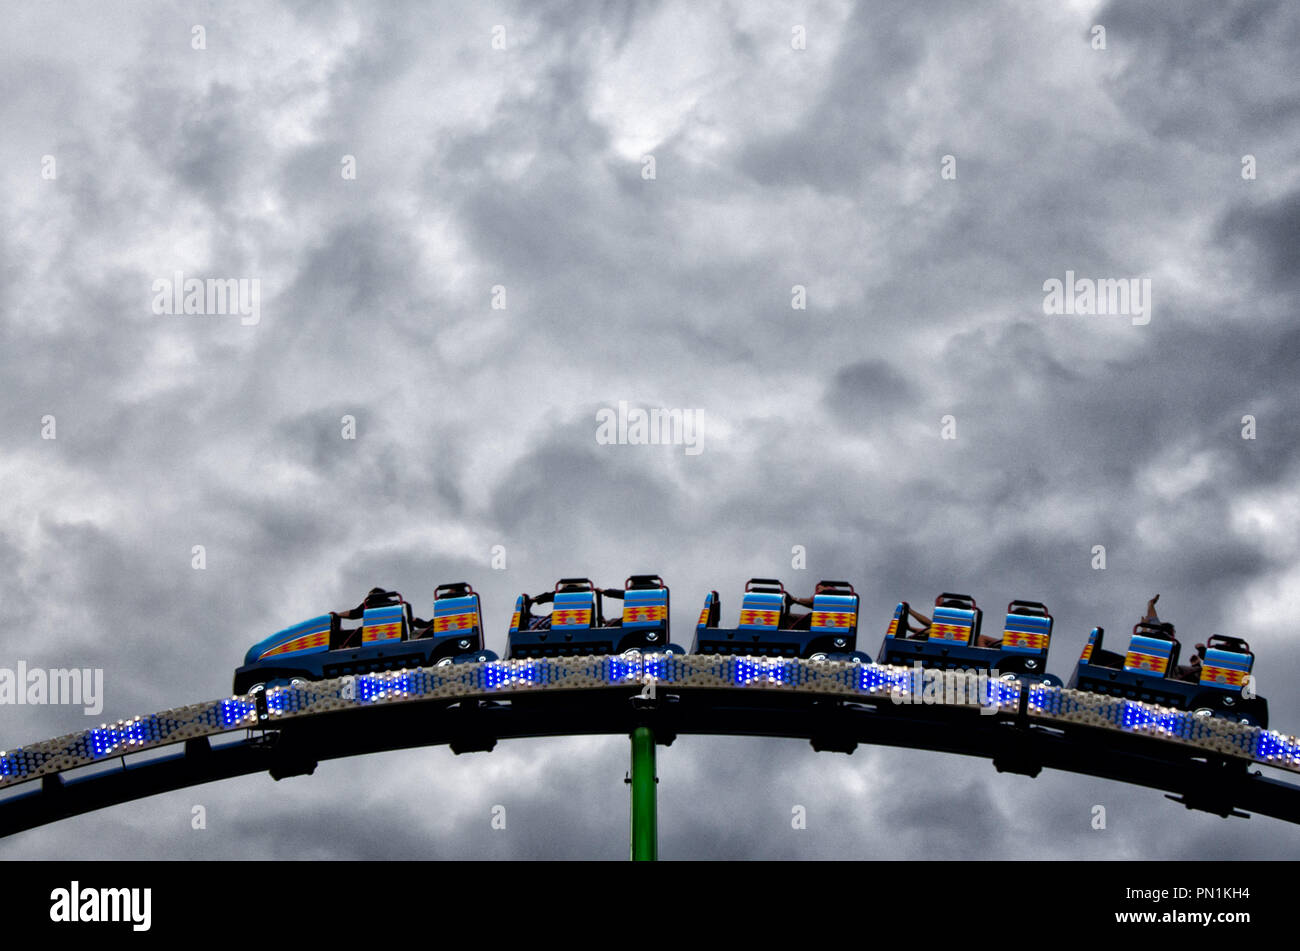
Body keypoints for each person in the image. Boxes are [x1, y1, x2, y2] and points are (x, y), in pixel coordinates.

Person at [330, 587, 407, 648]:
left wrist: (338, 615)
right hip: (395, 634)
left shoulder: (370, 603)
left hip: (372, 635)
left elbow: (355, 614)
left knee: (347, 634)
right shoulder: (395, 605)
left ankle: (345, 648)